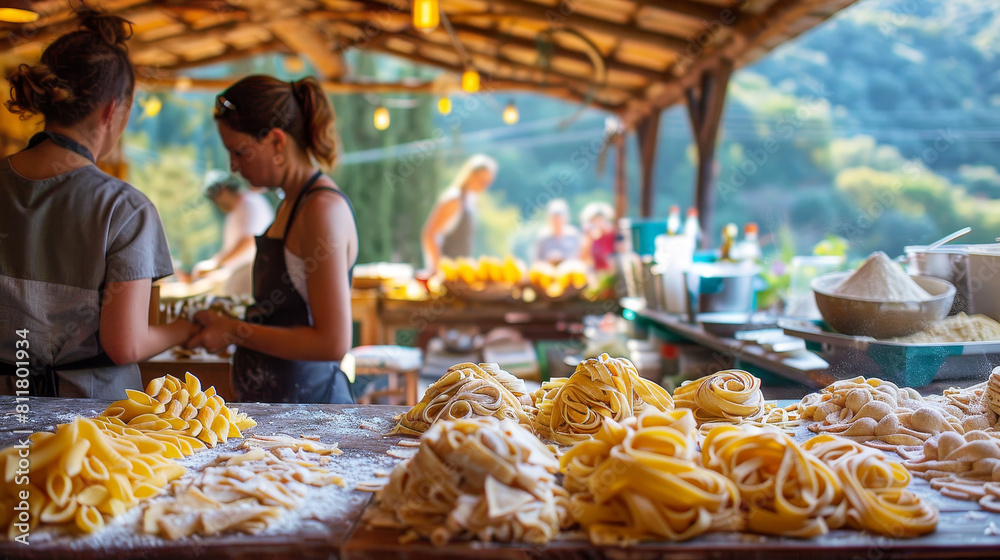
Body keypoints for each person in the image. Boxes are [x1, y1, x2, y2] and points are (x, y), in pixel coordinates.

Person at [0, 11, 199, 398]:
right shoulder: (125, 209)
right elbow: (125, 343)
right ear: (111, 110)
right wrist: (186, 329)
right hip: (89, 416)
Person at [187, 75, 359, 404]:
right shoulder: (291, 203)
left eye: (239, 151)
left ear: (277, 142)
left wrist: (233, 331)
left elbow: (333, 342)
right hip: (286, 411)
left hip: (312, 413)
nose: (233, 166)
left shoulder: (321, 209)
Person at [192, 171, 274, 296]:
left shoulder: (250, 203)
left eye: (215, 198)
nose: (216, 203)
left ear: (223, 191)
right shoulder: (235, 211)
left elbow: (249, 239)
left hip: (253, 274)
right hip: (242, 276)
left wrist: (215, 262)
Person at [421, 154, 497, 272]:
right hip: (447, 274)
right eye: (482, 181)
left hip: (459, 273)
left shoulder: (471, 200)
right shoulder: (454, 199)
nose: (484, 187)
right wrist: (438, 269)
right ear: (471, 175)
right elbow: (429, 235)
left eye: (488, 183)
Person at [534, 199, 583, 266]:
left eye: (559, 217)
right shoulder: (543, 238)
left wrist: (563, 259)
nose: (557, 221)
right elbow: (536, 261)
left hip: (570, 270)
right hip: (548, 270)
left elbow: (580, 259)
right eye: (554, 217)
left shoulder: (574, 236)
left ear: (565, 217)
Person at [580, 202, 617, 272]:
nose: (598, 222)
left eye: (599, 218)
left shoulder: (614, 233)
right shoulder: (590, 237)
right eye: (593, 220)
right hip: (597, 273)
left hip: (613, 272)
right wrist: (589, 238)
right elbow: (584, 259)